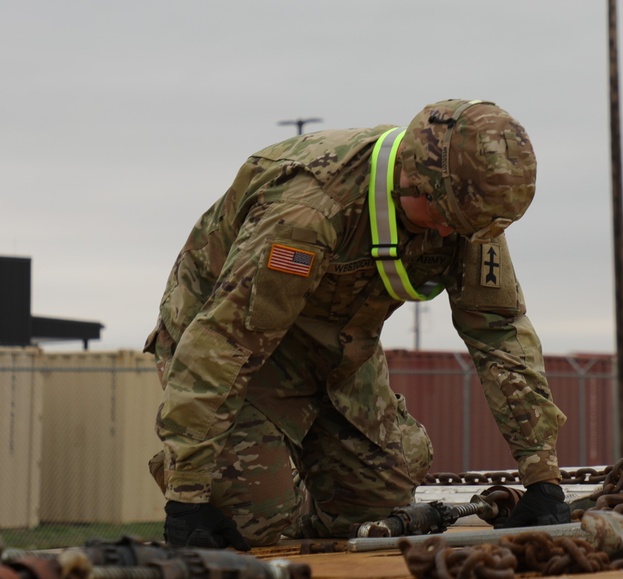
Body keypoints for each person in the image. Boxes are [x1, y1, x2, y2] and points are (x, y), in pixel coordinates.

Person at [144, 99, 571, 550]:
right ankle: (239, 488)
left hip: (340, 346)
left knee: (380, 494)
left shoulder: (464, 213)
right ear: (413, 183)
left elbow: (500, 332)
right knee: (249, 517)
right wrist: (187, 496)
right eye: (444, 220)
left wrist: (543, 477)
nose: (447, 236)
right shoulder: (311, 209)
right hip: (241, 341)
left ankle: (291, 510)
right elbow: (225, 342)